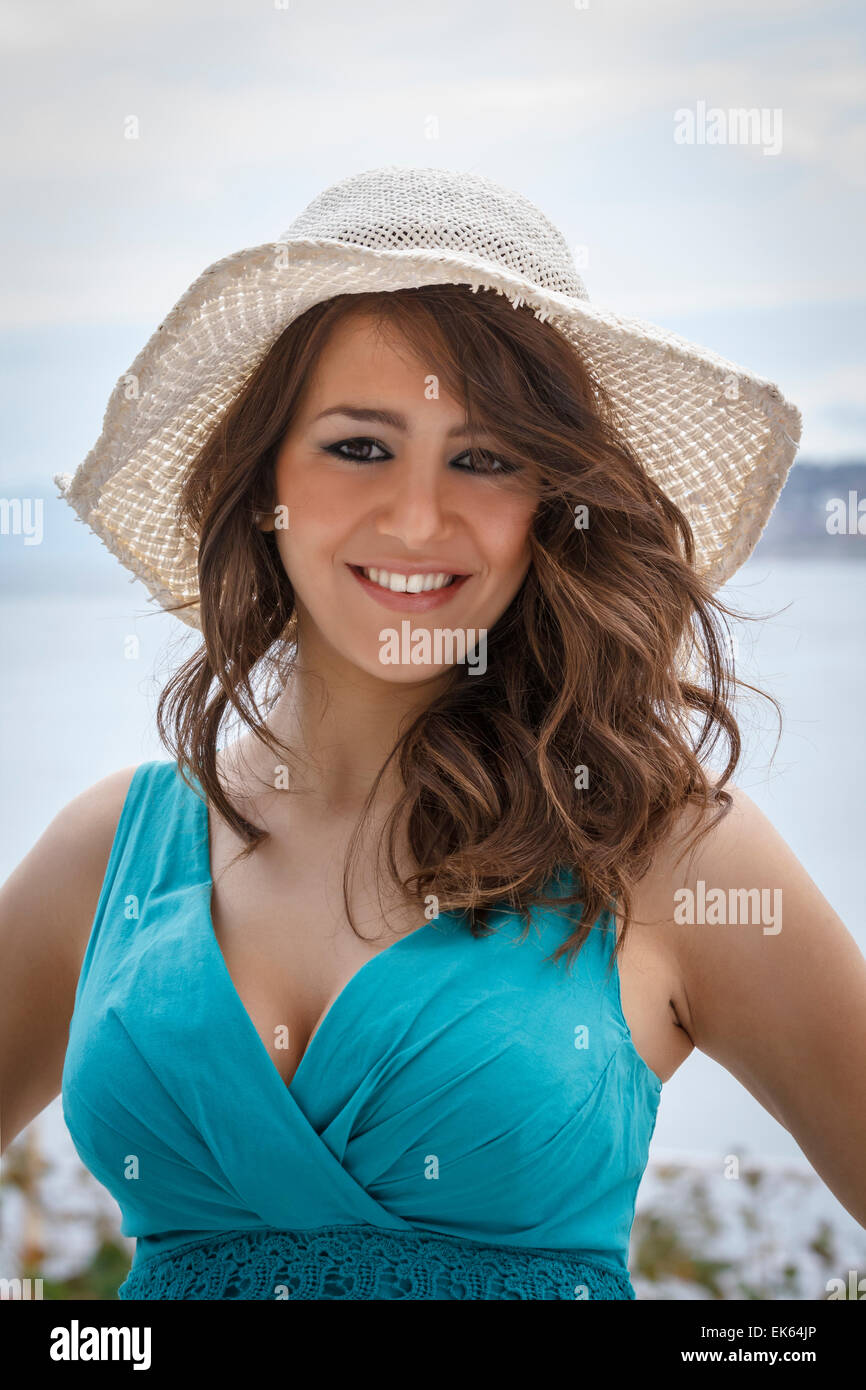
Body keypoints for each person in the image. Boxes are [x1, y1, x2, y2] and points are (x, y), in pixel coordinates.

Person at [2, 167, 865, 1301]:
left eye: (485, 457)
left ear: (551, 503)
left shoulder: (666, 853)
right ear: (265, 483)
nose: (417, 517)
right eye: (359, 446)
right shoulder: (107, 853)